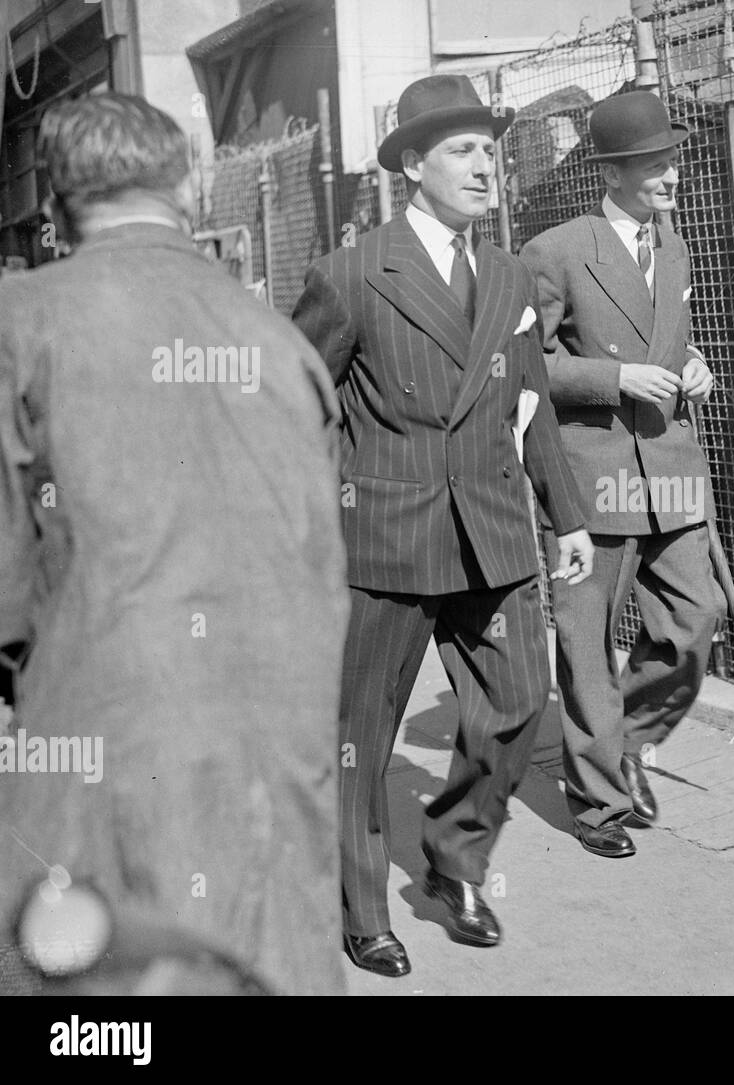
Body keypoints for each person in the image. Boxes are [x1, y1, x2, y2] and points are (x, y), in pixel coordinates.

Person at [0, 92, 351, 994]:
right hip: (282, 755)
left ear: (52, 206)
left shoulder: (21, 320)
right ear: (191, 186)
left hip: (100, 754)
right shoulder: (278, 342)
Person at [293, 75, 594, 977]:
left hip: (493, 528)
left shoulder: (506, 273)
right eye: (461, 150)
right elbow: (298, 406)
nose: (484, 167)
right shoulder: (352, 273)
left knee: (516, 701)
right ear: (413, 166)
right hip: (384, 539)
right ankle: (359, 906)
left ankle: (456, 859)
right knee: (361, 734)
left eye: (490, 151)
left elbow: (531, 403)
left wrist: (567, 516)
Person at [520, 92, 725, 859]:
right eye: (654, 162)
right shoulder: (556, 251)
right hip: (593, 471)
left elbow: (670, 339)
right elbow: (530, 364)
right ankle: (599, 800)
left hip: (668, 462)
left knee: (692, 622)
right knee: (586, 641)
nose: (671, 173)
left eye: (672, 158)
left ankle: (624, 740)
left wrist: (692, 366)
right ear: (613, 169)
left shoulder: (674, 247)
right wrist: (614, 380)